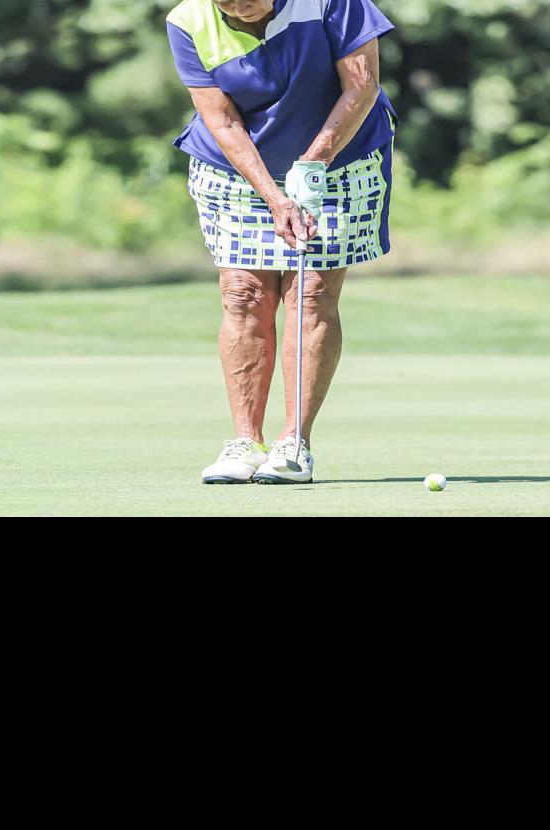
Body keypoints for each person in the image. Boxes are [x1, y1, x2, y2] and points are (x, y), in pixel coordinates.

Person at [166, 0, 398, 483]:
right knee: (243, 295)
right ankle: (244, 443)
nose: (238, 5)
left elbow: (362, 84)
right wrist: (274, 197)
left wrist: (314, 162)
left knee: (310, 295)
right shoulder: (186, 21)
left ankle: (295, 443)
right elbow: (222, 120)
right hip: (236, 171)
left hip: (341, 159)